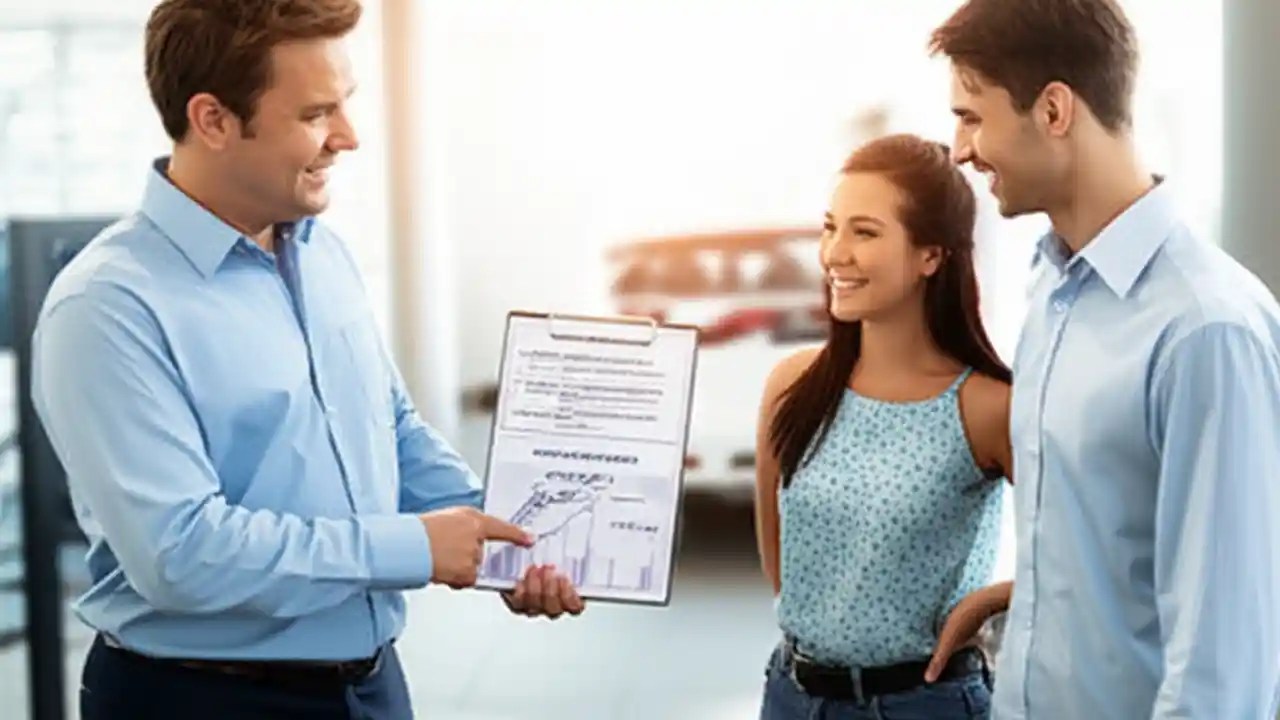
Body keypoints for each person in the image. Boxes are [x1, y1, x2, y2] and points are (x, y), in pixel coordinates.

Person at [30, 2, 583, 718]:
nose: (348, 138)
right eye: (316, 114)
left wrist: (510, 537)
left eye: (345, 104)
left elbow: (393, 429)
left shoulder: (324, 256)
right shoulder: (107, 307)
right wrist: (414, 547)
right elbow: (182, 554)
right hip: (199, 699)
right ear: (214, 121)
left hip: (371, 686)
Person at [929, 1, 1280, 718]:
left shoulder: (1206, 329)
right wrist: (1016, 601)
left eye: (972, 116)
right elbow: (1112, 541)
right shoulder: (1053, 290)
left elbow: (1223, 668)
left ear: (1054, 110)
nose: (960, 149)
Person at [754, 133, 1015, 719]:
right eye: (830, 227)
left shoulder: (987, 406)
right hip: (792, 697)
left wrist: (995, 601)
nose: (834, 253)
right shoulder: (792, 386)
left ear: (931, 255)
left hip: (927, 704)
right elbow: (783, 570)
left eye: (865, 232)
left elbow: (1094, 552)